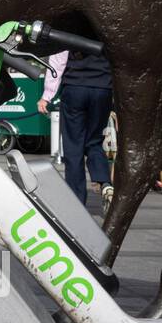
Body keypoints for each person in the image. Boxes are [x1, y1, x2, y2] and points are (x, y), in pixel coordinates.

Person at [52, 50, 113, 207]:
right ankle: (104, 181)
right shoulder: (110, 27)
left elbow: (58, 60)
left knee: (73, 147)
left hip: (75, 86)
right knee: (94, 141)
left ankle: (76, 202)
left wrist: (47, 96)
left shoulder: (73, 26)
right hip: (103, 87)